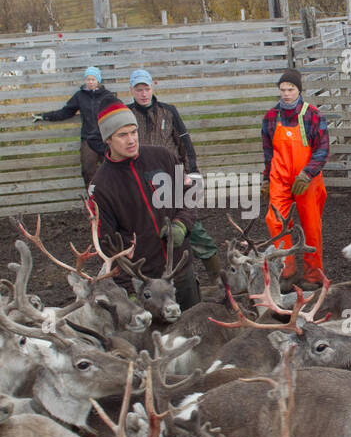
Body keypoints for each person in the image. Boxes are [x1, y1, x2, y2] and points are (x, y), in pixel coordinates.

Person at [87, 101, 200, 310]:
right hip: (146, 281)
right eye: (122, 135)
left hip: (179, 269)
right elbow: (108, 245)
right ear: (108, 140)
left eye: (133, 132)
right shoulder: (101, 186)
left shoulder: (163, 157)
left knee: (193, 326)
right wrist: (128, 290)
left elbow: (189, 195)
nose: (131, 140)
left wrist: (182, 224)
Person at [126, 68, 221, 282]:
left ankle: (217, 277)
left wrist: (193, 172)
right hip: (141, 181)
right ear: (131, 90)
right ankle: (152, 282)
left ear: (153, 87)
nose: (143, 93)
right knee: (147, 232)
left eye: (146, 88)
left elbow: (184, 142)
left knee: (191, 226)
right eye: (138, 89)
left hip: (172, 176)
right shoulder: (125, 114)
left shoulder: (168, 112)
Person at [261, 69, 330, 286]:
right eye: (282, 90)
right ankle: (286, 271)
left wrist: (307, 173)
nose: (286, 94)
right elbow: (268, 152)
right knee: (276, 222)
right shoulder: (271, 117)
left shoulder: (312, 115)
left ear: (299, 90)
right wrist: (266, 179)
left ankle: (313, 274)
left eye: (290, 89)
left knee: (311, 226)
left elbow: (323, 149)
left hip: (307, 180)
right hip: (280, 178)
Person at [34, 66, 119, 187]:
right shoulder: (80, 96)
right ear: (85, 80)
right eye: (88, 79)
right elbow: (66, 112)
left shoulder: (107, 95)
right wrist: (45, 116)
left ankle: (112, 199)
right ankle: (92, 199)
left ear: (98, 80)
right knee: (88, 170)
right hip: (88, 139)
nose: (90, 82)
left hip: (106, 138)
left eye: (93, 79)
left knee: (112, 168)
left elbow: (118, 110)